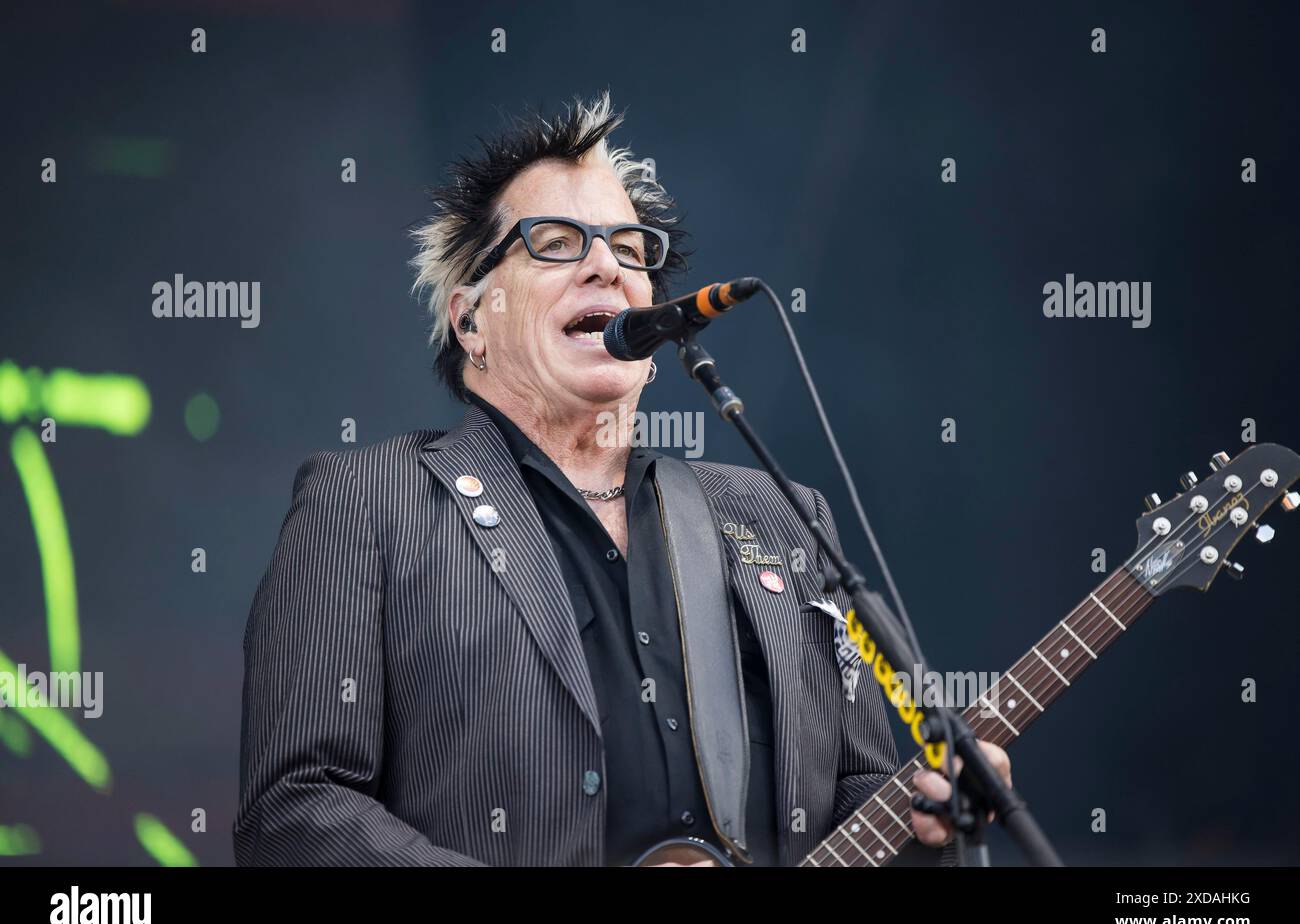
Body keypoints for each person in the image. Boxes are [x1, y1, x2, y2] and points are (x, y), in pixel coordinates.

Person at [234, 90, 1011, 867]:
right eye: (558, 241)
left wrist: (921, 821)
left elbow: (852, 798)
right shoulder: (368, 503)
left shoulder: (778, 516)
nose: (606, 264)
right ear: (471, 319)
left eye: (630, 250)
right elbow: (295, 810)